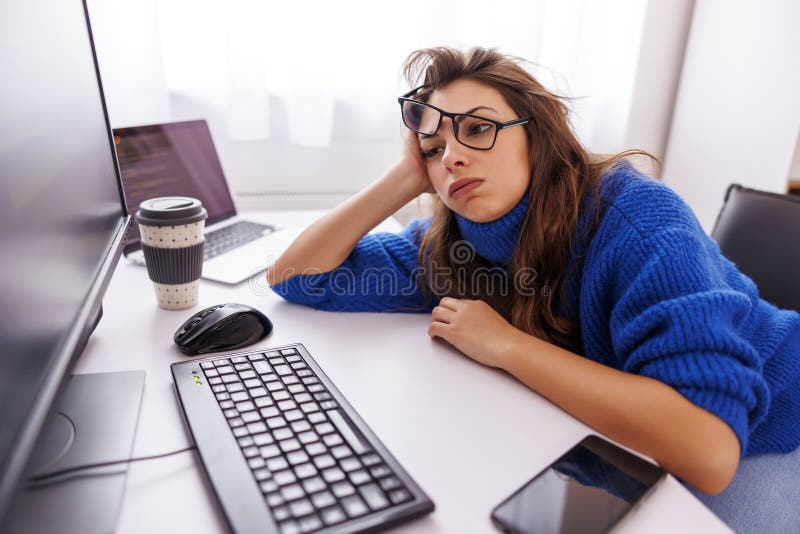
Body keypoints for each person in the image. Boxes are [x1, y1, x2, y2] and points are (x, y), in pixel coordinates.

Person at [266, 47, 800, 531]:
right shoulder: (456, 241)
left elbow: (706, 447)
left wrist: (505, 345)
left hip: (775, 424)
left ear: (537, 135)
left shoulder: (637, 217)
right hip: (625, 438)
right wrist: (406, 175)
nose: (451, 156)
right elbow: (295, 278)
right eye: (434, 148)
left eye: (477, 130)